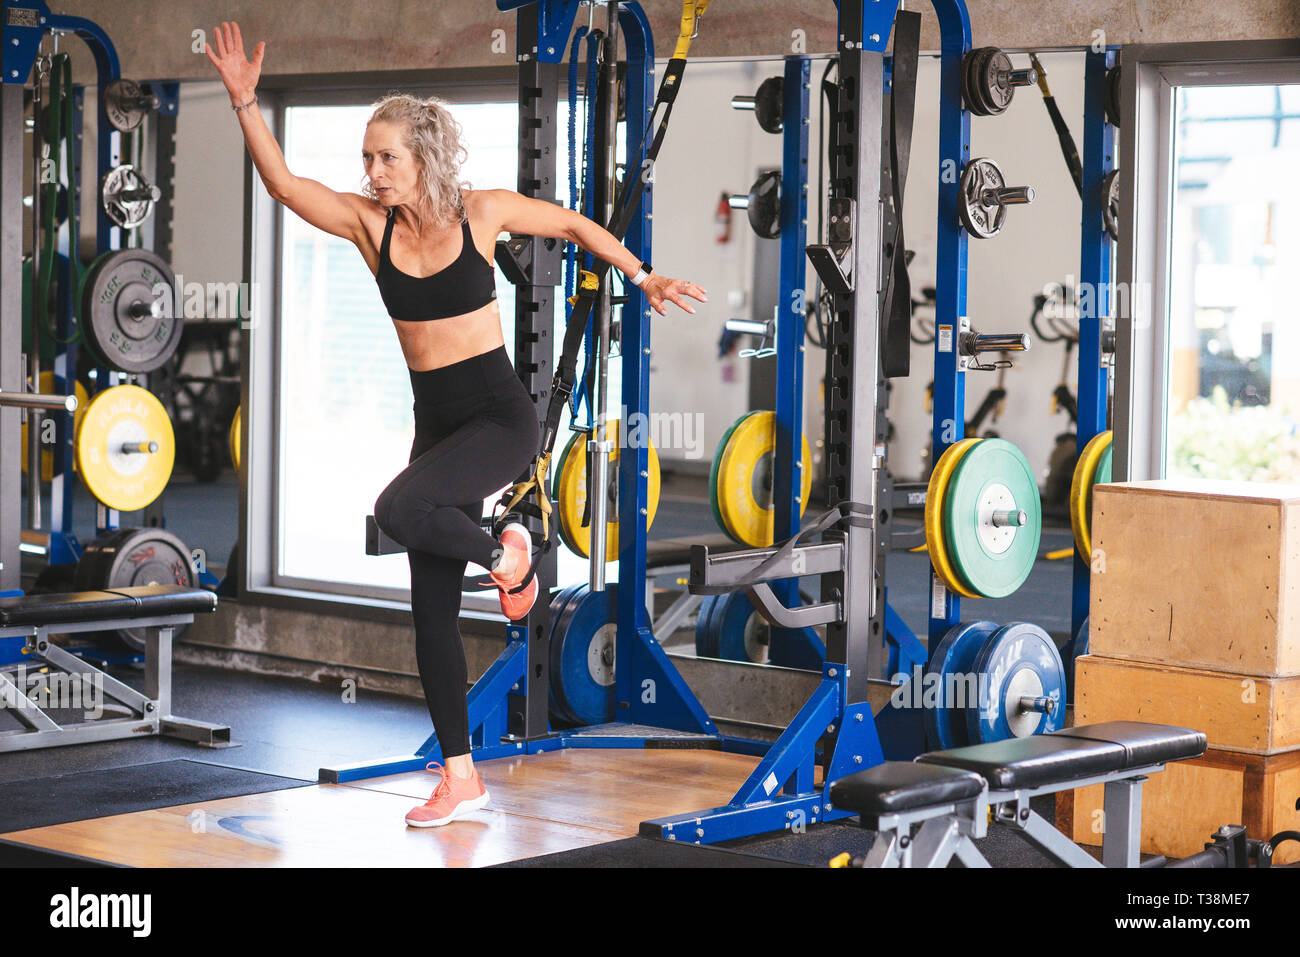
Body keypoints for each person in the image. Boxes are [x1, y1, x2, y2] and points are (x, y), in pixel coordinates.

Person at [206, 22, 707, 828]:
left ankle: (509, 562)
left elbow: (575, 225)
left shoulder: (481, 213)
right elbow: (286, 186)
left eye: (385, 158)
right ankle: (462, 776)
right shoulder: (371, 227)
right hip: (436, 428)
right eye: (366, 158)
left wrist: (642, 275)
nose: (371, 172)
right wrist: (243, 103)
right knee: (431, 615)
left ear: (423, 158)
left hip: (501, 420)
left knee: (397, 508)